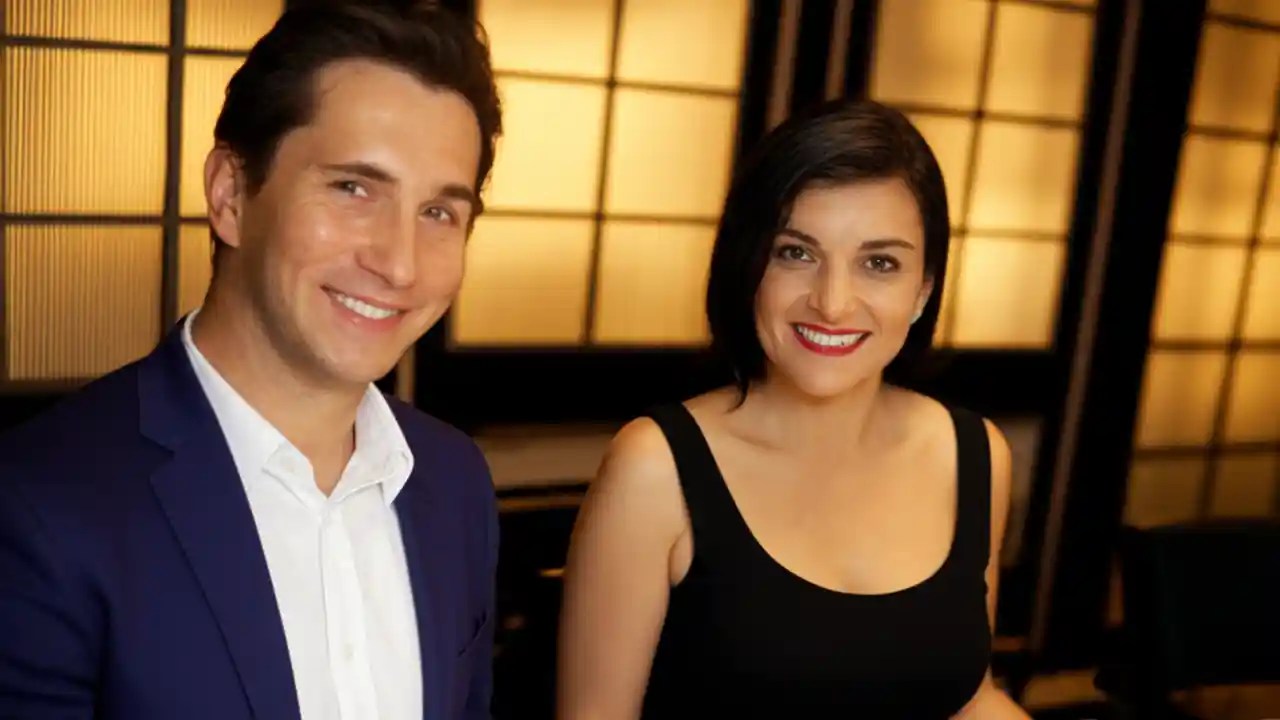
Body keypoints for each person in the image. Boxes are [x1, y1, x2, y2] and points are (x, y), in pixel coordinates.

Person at [0, 2, 501, 718]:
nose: (399, 264)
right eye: (353, 189)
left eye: (439, 213)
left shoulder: (453, 482)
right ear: (231, 194)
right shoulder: (42, 504)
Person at [558, 100, 1029, 718]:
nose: (832, 303)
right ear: (749, 265)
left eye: (879, 263)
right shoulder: (656, 466)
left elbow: (968, 699)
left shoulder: (972, 454)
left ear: (923, 291)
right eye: (795, 253)